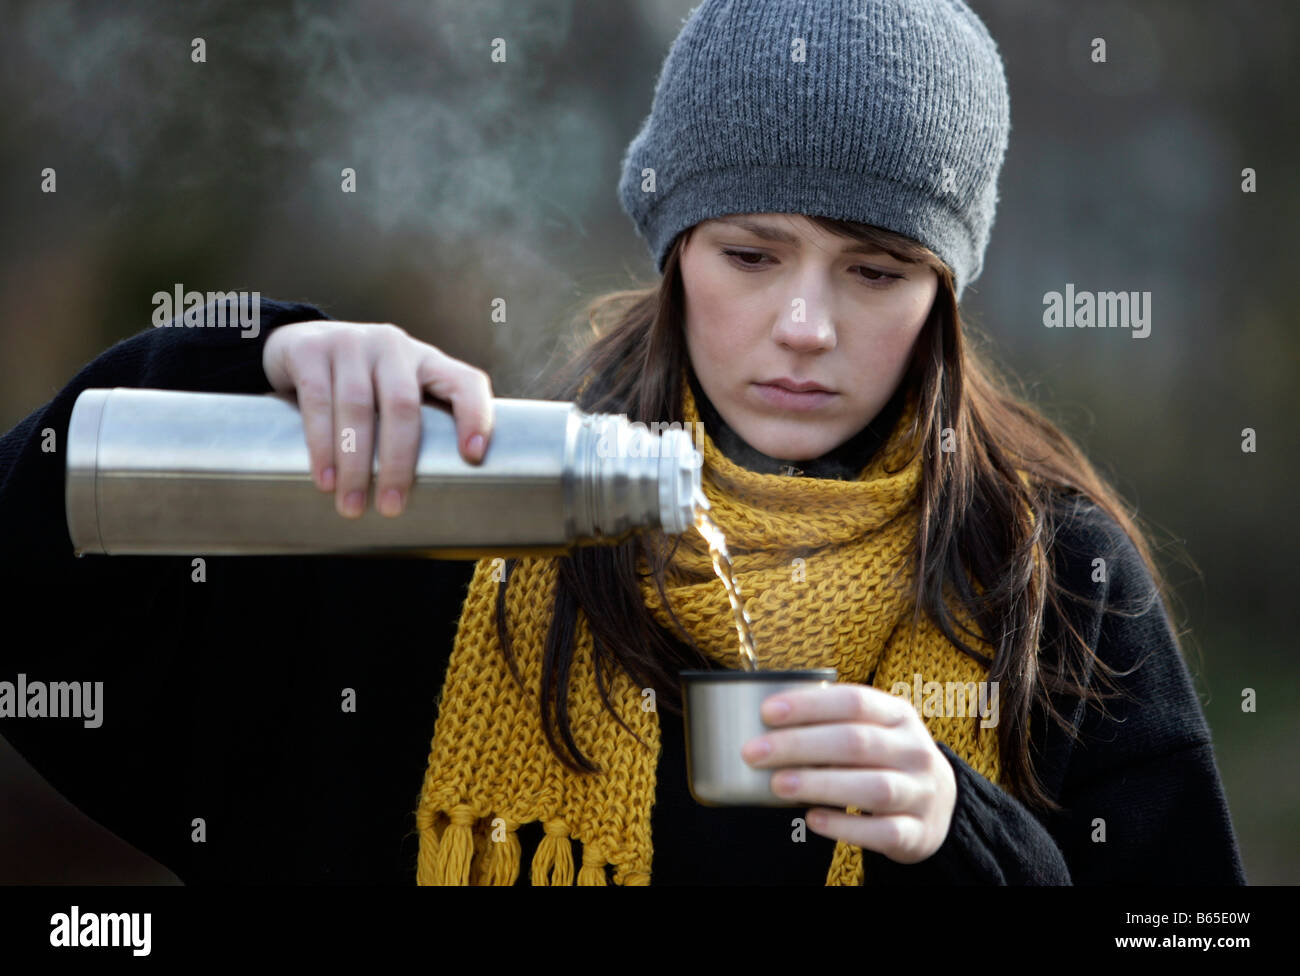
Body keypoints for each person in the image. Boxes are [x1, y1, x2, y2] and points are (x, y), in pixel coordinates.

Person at [0, 0, 1244, 886]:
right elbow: (33, 596)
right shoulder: (473, 511)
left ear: (944, 295)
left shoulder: (1043, 572)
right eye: (749, 255)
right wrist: (247, 364)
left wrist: (963, 838)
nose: (804, 326)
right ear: (673, 252)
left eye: (876, 269)